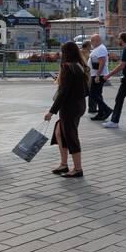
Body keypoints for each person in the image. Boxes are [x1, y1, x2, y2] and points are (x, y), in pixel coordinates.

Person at [44, 40, 88, 178]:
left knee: (71, 136)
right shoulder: (80, 66)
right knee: (59, 132)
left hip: (70, 106)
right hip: (79, 104)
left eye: (62, 51)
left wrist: (51, 112)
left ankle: (78, 169)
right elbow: (85, 89)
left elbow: (63, 93)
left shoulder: (68, 67)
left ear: (66, 53)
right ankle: (64, 164)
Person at [87, 33, 111, 121]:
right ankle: (101, 113)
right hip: (96, 74)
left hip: (98, 75)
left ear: (96, 40)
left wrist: (97, 76)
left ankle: (106, 109)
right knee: (98, 94)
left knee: (93, 94)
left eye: (91, 40)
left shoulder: (100, 48)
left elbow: (102, 62)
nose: (91, 42)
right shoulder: (98, 48)